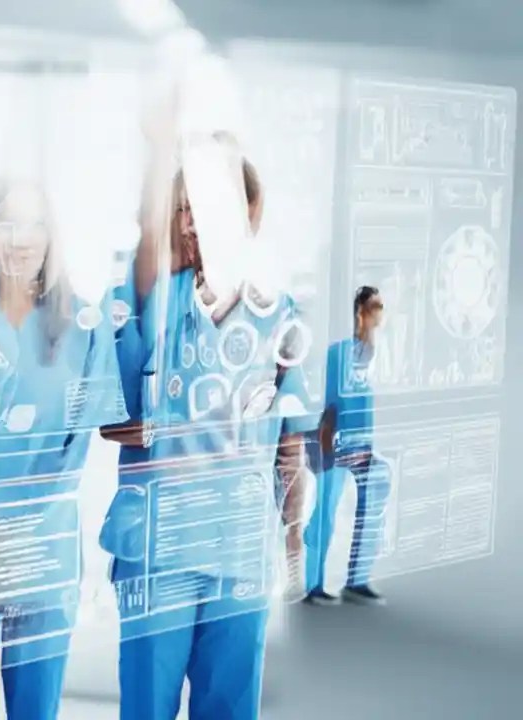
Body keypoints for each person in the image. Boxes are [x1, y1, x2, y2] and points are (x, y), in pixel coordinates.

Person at [99, 146, 317, 720]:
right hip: (158, 548)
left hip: (241, 548)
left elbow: (289, 441)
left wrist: (293, 544)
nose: (195, 221)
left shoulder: (278, 310)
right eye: (185, 207)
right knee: (148, 707)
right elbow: (107, 413)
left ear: (248, 214)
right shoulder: (139, 301)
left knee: (230, 706)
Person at [0, 177, 128, 719]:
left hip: (44, 545)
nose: (20, 239)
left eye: (34, 223)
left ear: (51, 234)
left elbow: (84, 443)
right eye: (5, 224)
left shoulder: (84, 326)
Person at [304, 285, 391, 606]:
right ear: (360, 311)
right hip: (335, 445)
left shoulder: (379, 355)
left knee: (376, 494)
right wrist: (324, 450)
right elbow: (326, 404)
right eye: (374, 306)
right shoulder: (338, 353)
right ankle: (312, 585)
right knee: (325, 510)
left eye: (381, 307)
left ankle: (357, 580)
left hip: (363, 444)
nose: (379, 313)